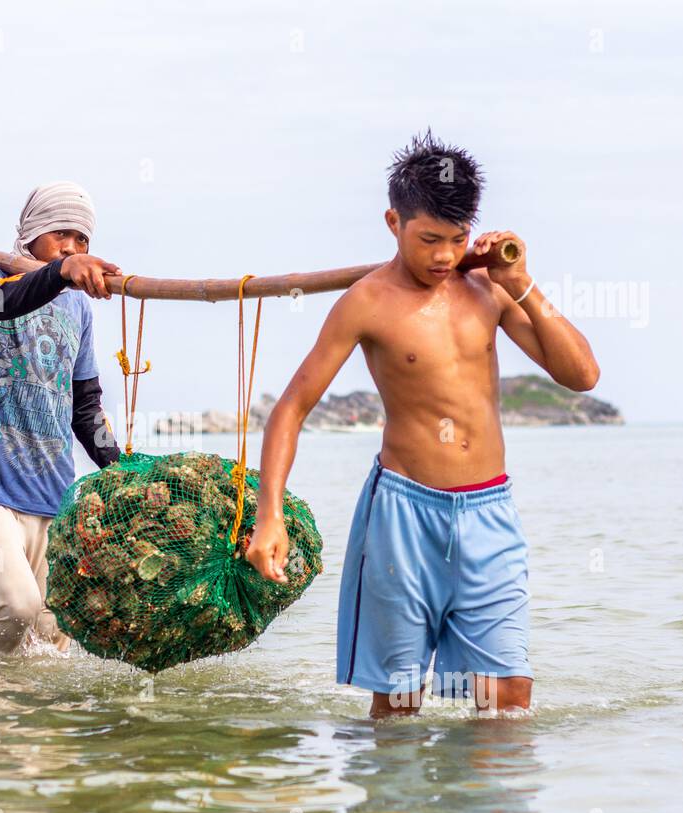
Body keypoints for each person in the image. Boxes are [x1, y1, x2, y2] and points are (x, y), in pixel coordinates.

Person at [245, 131, 600, 718]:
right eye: (428, 239)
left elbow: (582, 374)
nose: (443, 256)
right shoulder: (366, 302)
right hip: (403, 514)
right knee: (400, 704)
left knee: (507, 701)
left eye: (457, 239)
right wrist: (269, 514)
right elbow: (292, 407)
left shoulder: (489, 287)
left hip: (490, 513)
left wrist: (524, 287)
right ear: (393, 221)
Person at [0, 181, 122, 656]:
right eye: (59, 234)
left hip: (53, 493)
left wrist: (124, 469)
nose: (71, 246)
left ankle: (44, 726)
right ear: (31, 232)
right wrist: (63, 272)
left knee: (53, 632)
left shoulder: (79, 307)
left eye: (81, 239)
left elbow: (85, 409)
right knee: (18, 608)